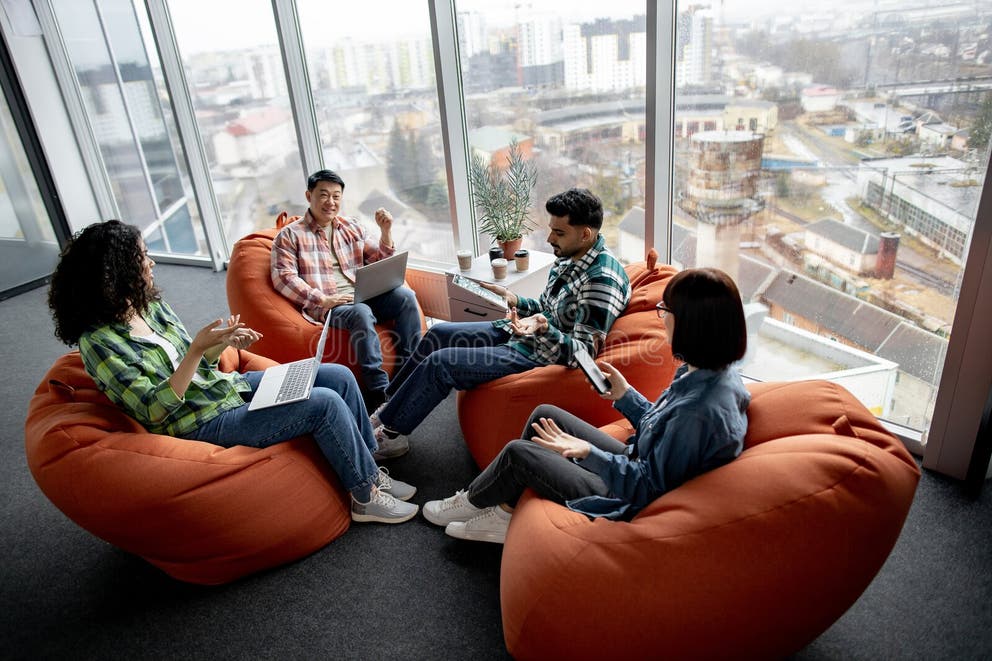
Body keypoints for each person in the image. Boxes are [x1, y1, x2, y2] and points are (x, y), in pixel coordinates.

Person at [48, 220, 418, 524]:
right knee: (323, 404)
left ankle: (369, 466)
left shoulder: (149, 307)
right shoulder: (98, 344)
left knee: (336, 376)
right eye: (143, 257)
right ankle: (365, 496)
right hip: (200, 421)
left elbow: (199, 367)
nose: (151, 263)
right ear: (118, 271)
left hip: (224, 387)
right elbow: (153, 411)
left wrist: (220, 345)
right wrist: (196, 350)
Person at [422, 267, 751, 544]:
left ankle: (473, 501)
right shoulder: (706, 372)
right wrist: (627, 397)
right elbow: (663, 429)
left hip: (626, 495)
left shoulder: (700, 411)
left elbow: (648, 486)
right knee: (544, 415)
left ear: (692, 324)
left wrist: (587, 453)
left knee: (519, 453)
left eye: (666, 311)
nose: (661, 317)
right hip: (638, 461)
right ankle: (505, 511)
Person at [370, 188, 631, 458]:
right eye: (551, 229)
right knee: (438, 333)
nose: (550, 238)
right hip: (525, 332)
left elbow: (584, 354)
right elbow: (548, 307)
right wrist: (514, 299)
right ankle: (389, 407)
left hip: (540, 353)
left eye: (559, 233)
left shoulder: (601, 280)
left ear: (586, 233)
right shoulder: (570, 257)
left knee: (442, 363)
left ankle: (391, 435)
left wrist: (544, 327)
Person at [270, 169, 422, 416]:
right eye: (323, 195)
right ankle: (379, 392)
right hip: (330, 304)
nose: (331, 202)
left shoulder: (351, 226)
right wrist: (322, 299)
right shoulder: (290, 235)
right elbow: (284, 278)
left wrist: (386, 232)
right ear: (309, 196)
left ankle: (411, 372)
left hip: (363, 294)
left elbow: (378, 258)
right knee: (360, 312)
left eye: (336, 196)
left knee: (406, 297)